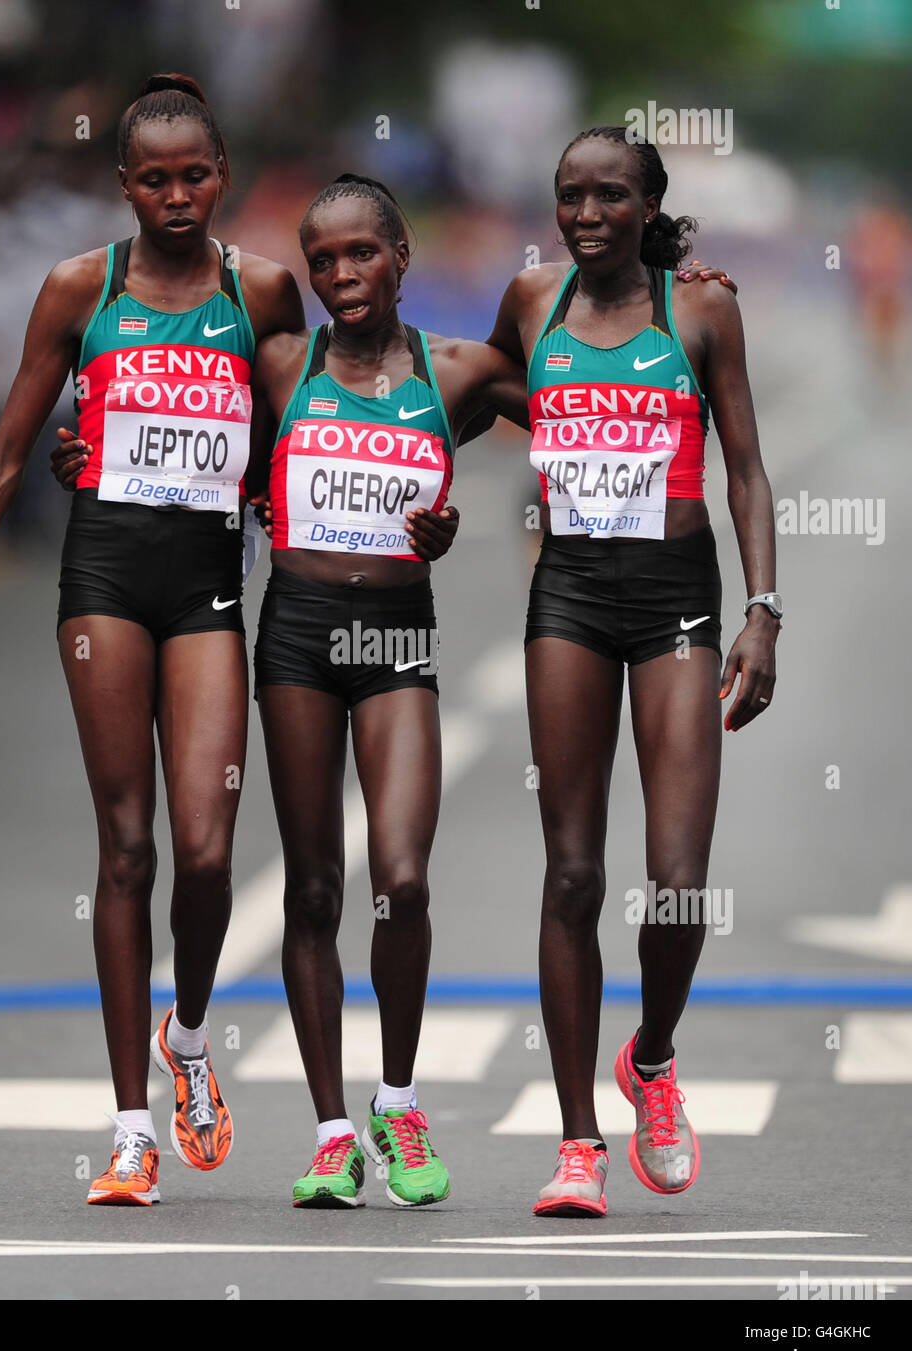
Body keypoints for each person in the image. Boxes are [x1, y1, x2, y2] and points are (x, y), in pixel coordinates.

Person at [0, 73, 314, 1206]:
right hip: (103, 584)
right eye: (155, 179)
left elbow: (304, 433)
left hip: (206, 589)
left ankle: (188, 1034)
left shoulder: (264, 293)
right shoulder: (80, 292)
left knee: (210, 848)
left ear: (222, 176)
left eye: (196, 176)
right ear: (123, 185)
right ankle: (131, 1126)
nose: (178, 197)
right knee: (126, 849)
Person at [486, 127, 778, 1217]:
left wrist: (762, 611)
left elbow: (742, 462)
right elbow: (475, 389)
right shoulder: (530, 302)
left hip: (677, 602)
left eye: (610, 194)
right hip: (565, 595)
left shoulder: (699, 308)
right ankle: (574, 1143)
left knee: (675, 877)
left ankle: (650, 1060)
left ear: (647, 202)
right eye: (570, 195)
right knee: (569, 874)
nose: (587, 212)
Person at [245, 174, 529, 1207]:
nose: (338, 275)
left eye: (360, 253)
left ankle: (397, 1102)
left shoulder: (453, 376)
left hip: (396, 635)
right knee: (314, 885)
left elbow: (590, 408)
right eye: (320, 259)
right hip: (296, 636)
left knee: (400, 878)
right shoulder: (282, 366)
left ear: (402, 256)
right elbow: (166, 409)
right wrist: (79, 455)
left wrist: (677, 285)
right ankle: (331, 1133)